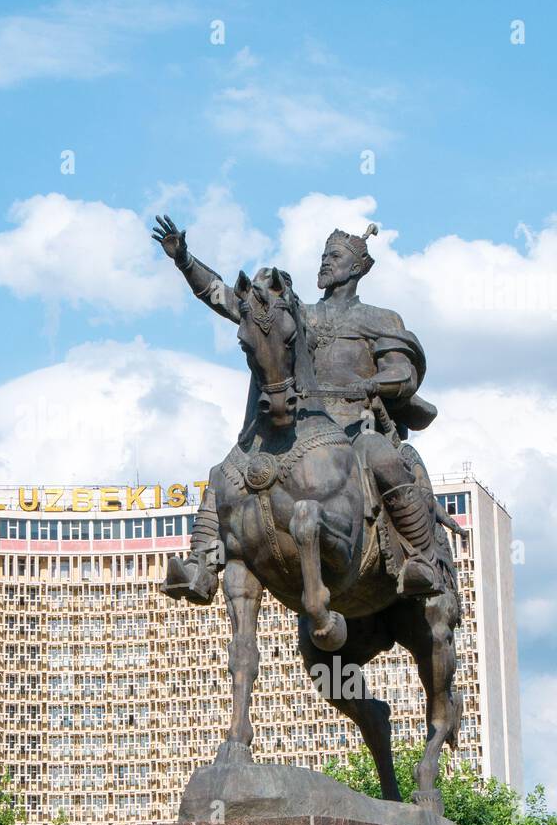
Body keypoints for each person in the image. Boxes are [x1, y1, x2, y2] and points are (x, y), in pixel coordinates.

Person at [153, 215, 444, 602]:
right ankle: (202, 564)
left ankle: (419, 559)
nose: (325, 262)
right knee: (226, 470)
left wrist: (373, 383)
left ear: (358, 267)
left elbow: (403, 373)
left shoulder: (379, 318)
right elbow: (227, 299)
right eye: (323, 255)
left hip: (356, 425)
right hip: (302, 424)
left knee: (384, 458)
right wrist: (185, 261)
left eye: (335, 256)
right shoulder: (298, 314)